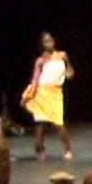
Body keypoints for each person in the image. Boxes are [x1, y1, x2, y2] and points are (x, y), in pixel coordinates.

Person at [20, 31, 75, 160]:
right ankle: (40, 151)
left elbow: (70, 71)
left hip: (55, 93)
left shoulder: (62, 55)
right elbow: (35, 79)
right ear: (42, 45)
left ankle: (68, 149)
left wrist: (68, 74)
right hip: (42, 93)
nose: (49, 43)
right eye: (46, 41)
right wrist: (27, 96)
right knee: (40, 123)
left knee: (58, 122)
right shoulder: (40, 60)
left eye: (51, 40)